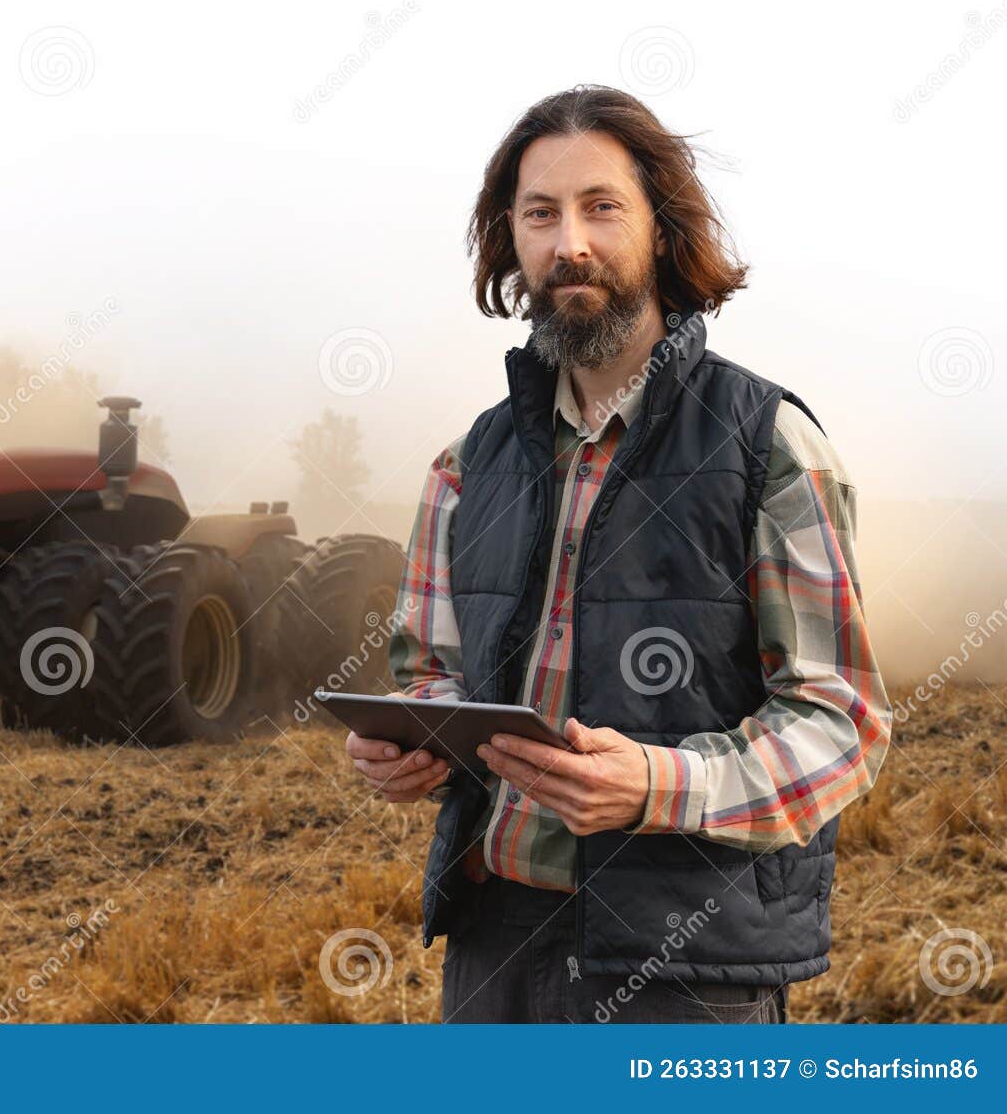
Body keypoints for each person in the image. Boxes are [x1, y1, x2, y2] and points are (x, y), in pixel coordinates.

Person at [347, 85, 891, 1024]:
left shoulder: (768, 444)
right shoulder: (466, 464)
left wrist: (658, 784)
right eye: (540, 214)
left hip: (687, 972)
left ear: (662, 230)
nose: (571, 244)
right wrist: (406, 741)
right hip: (493, 953)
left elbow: (840, 722)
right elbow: (431, 676)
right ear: (508, 242)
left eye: (602, 206)